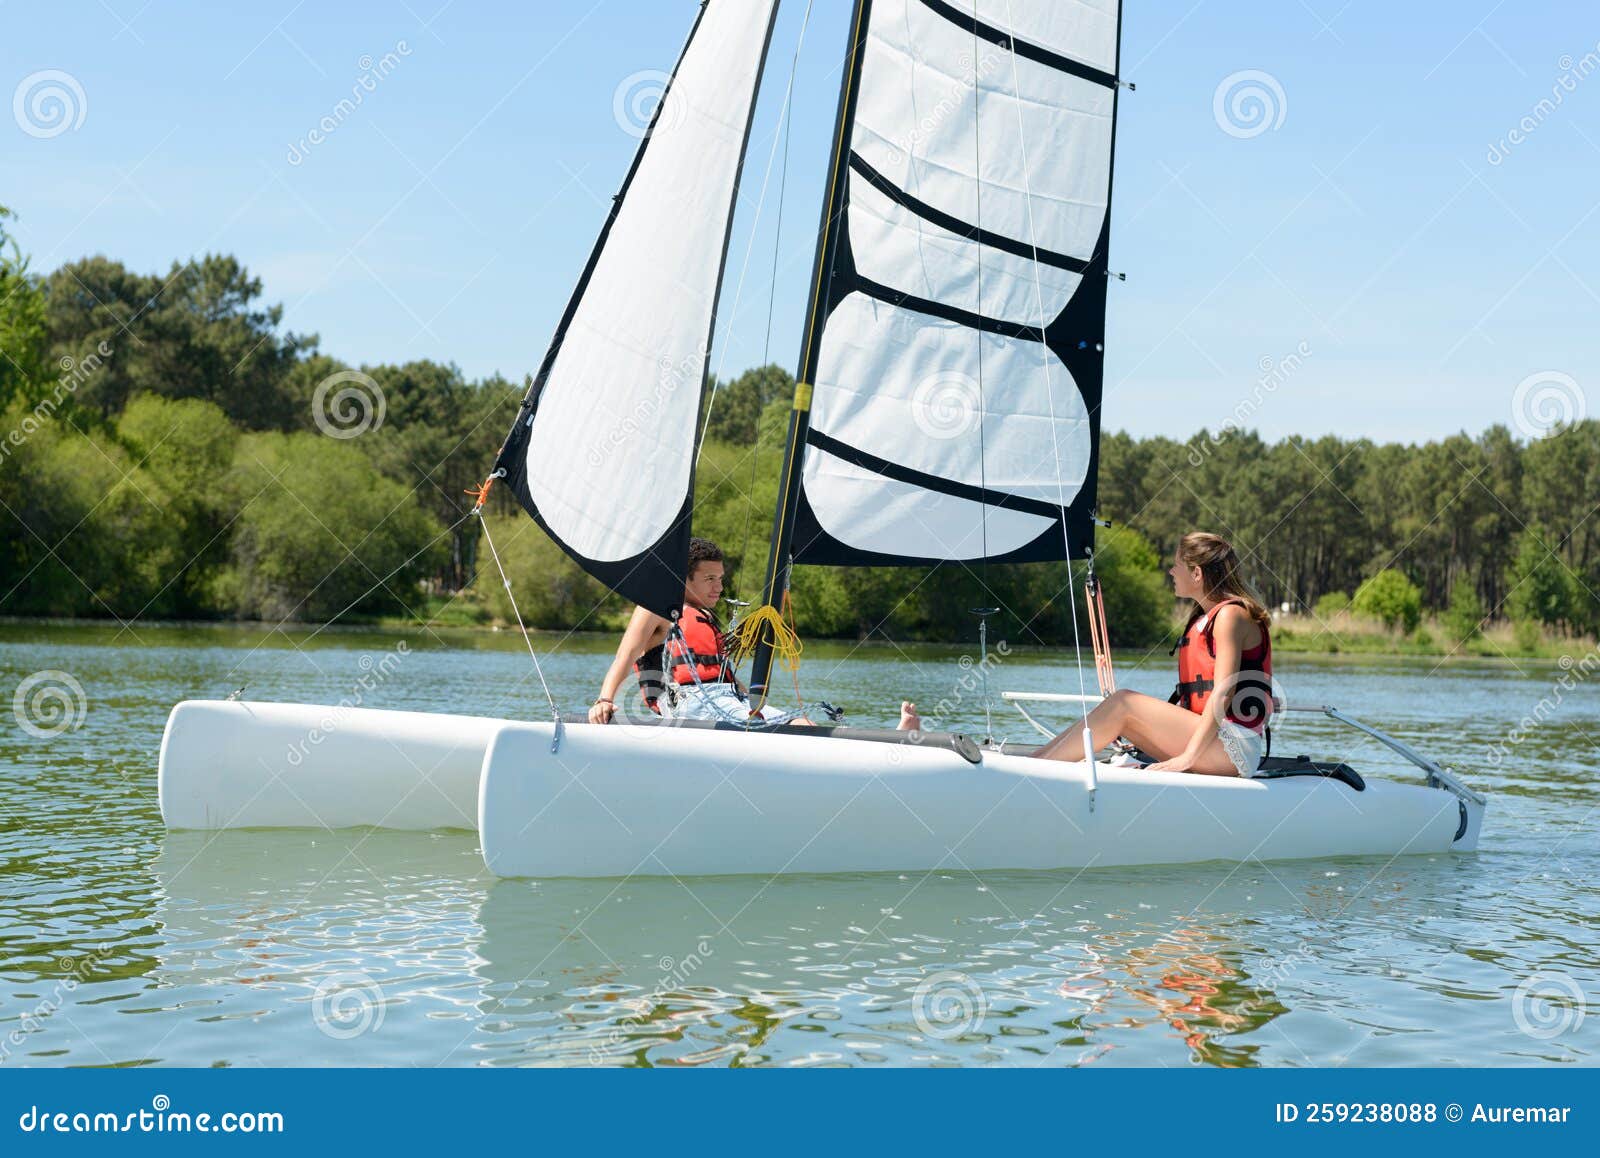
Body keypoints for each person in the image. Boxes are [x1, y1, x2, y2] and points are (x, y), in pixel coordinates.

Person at [587, 536, 921, 729]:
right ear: (685, 579)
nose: (719, 587)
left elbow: (722, 676)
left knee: (802, 724)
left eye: (720, 578)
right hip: (688, 707)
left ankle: (889, 742)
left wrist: (747, 698)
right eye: (710, 579)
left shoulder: (702, 616)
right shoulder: (657, 607)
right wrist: (605, 700)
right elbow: (626, 654)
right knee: (792, 729)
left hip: (726, 701)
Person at [1032, 532, 1274, 777]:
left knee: (1122, 702)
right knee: (1120, 711)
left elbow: (1223, 692)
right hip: (1210, 740)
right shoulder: (1206, 618)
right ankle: (1035, 763)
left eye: (1177, 565)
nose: (1171, 572)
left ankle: (1034, 769)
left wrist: (1187, 758)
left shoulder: (1230, 616)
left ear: (1197, 574)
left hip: (1232, 749)